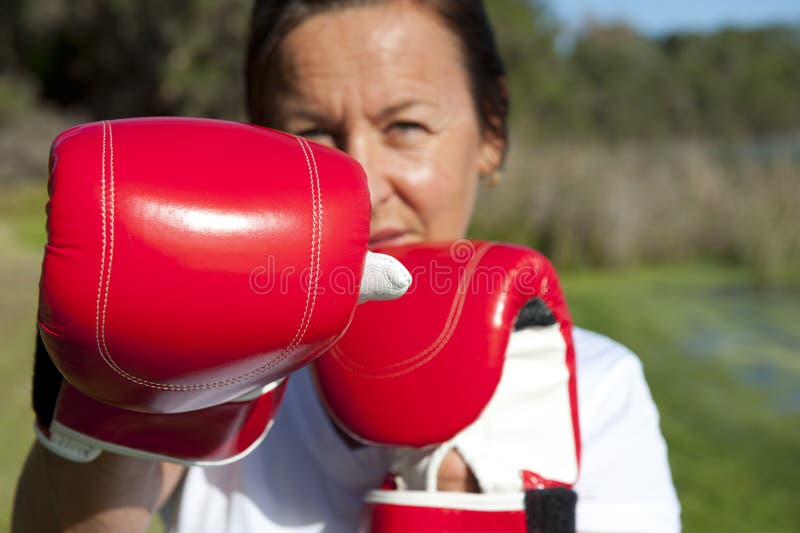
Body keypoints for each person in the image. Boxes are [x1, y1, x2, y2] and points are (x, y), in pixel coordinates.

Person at [13, 0, 681, 531]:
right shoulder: (239, 370)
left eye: (406, 127)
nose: (360, 181)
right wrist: (127, 391)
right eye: (312, 138)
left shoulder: (595, 389)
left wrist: (499, 511)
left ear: (492, 131)